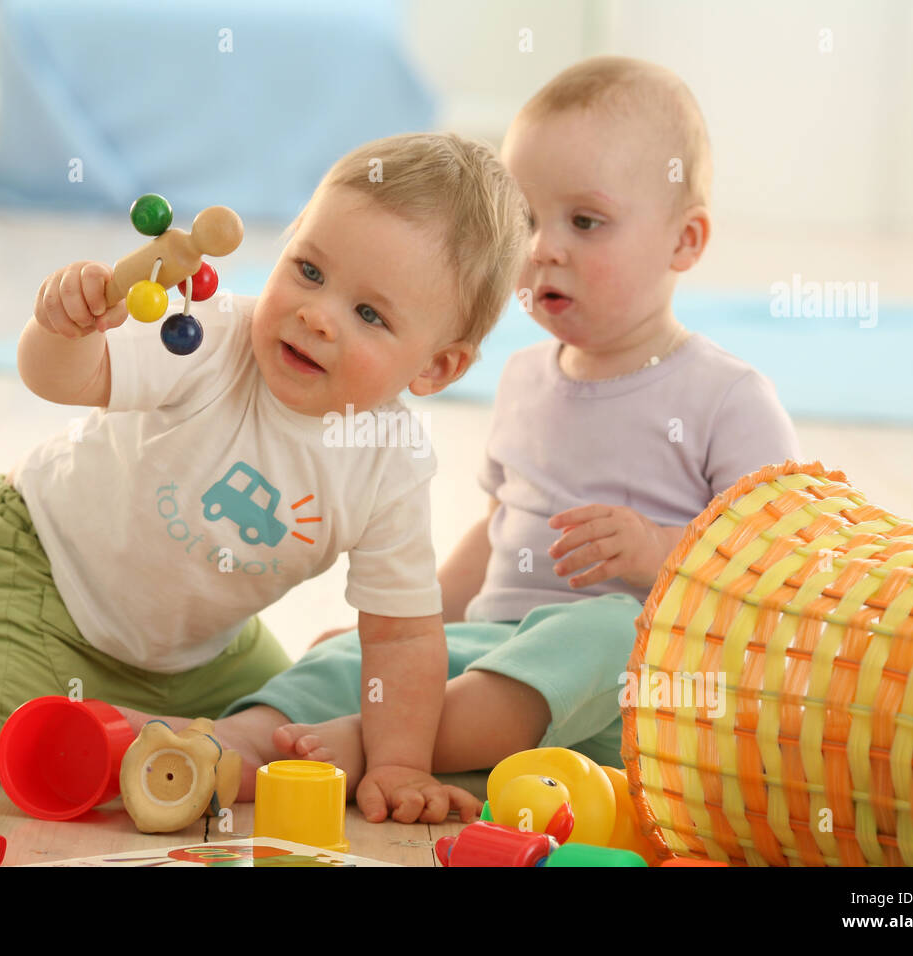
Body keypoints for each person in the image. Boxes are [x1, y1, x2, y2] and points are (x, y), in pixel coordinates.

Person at [0, 131, 530, 825]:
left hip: (193, 647)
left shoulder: (390, 461)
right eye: (309, 270)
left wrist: (398, 765)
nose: (318, 315)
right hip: (38, 563)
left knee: (285, 726)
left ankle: (169, 716)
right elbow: (63, 376)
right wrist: (64, 329)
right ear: (287, 243)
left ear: (437, 367)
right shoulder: (208, 339)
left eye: (369, 314)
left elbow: (400, 636)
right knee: (36, 744)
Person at [245, 56, 802, 813]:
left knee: (611, 629)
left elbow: (782, 572)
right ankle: (224, 749)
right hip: (496, 657)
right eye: (527, 221)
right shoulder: (525, 379)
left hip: (640, 693)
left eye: (584, 221)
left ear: (685, 241)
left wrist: (656, 552)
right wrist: (411, 625)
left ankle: (380, 744)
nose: (543, 247)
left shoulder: (727, 397)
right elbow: (501, 525)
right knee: (347, 655)